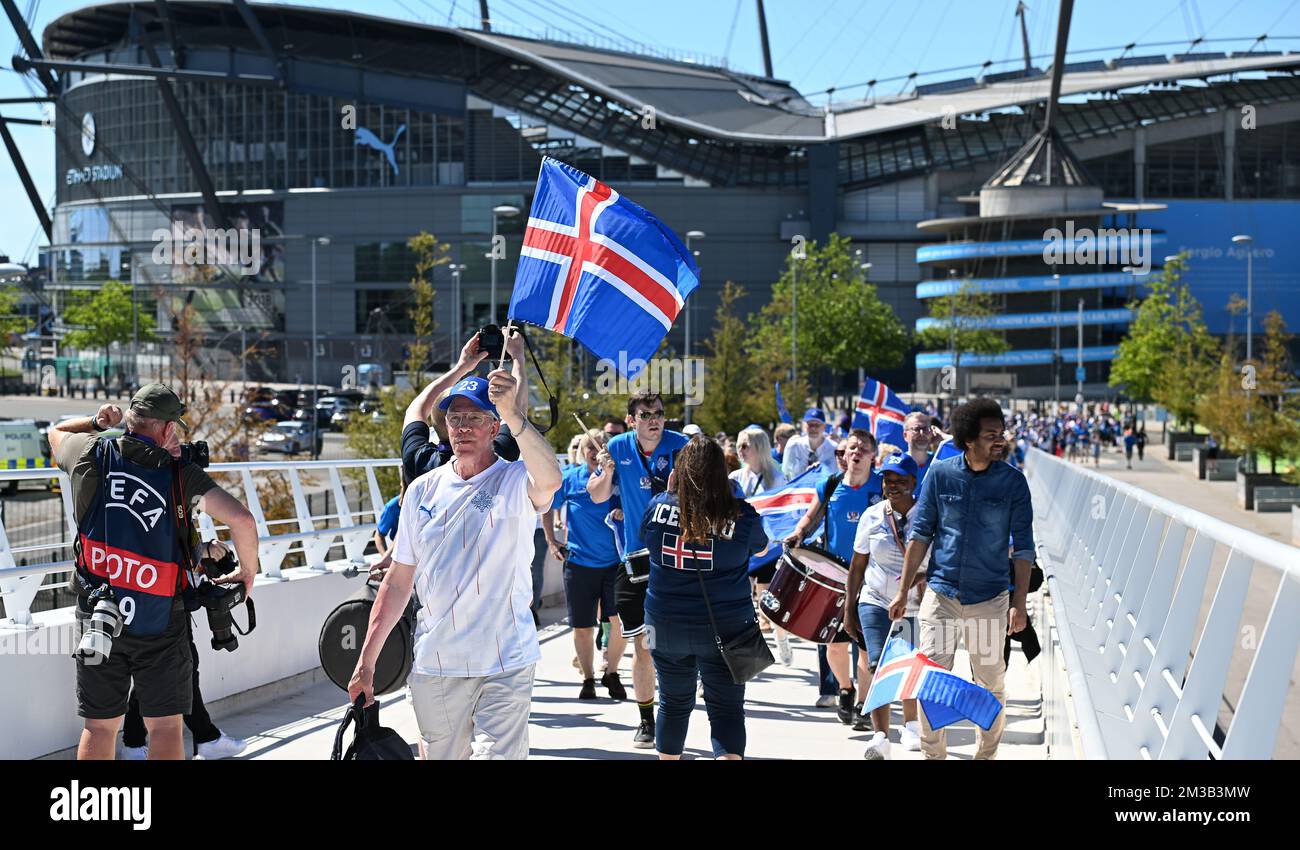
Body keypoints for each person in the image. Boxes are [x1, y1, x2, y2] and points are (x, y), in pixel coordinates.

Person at [348, 331, 563, 760]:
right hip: (437, 662)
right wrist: (367, 659)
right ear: (444, 426)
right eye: (455, 418)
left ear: (494, 426)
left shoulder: (514, 478)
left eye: (475, 418)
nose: (463, 427)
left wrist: (511, 401)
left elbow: (551, 480)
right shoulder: (422, 489)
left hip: (507, 659)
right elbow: (398, 580)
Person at [48, 385, 259, 760]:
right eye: (173, 428)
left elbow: (54, 433)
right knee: (163, 725)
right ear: (163, 430)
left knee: (98, 727)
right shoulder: (181, 475)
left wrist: (96, 422)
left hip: (98, 614)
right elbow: (242, 519)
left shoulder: (89, 451)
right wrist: (247, 572)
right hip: (160, 618)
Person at [890, 398, 1034, 761]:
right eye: (991, 435)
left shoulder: (1014, 483)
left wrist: (1019, 604)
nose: (999, 440)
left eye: (1001, 434)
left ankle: (985, 756)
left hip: (989, 598)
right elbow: (920, 534)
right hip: (942, 595)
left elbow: (1025, 548)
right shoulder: (941, 475)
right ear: (969, 438)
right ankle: (933, 756)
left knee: (990, 683)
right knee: (931, 682)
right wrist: (902, 589)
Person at [640, 436, 768, 759]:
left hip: (664, 625)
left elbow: (646, 538)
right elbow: (763, 549)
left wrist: (670, 493)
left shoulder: (657, 507)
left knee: (672, 702)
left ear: (679, 471)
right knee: (726, 711)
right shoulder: (741, 516)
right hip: (725, 627)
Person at [587, 392, 689, 748]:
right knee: (643, 646)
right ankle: (647, 721)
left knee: (679, 646)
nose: (653, 420)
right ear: (632, 419)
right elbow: (597, 495)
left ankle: (676, 712)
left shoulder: (683, 445)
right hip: (635, 559)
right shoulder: (617, 447)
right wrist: (608, 472)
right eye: (645, 415)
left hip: (678, 558)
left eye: (658, 413)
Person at [784, 429, 881, 725]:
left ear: (873, 455)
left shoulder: (882, 486)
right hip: (835, 577)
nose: (856, 453)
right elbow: (810, 518)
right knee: (835, 645)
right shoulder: (830, 484)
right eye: (852, 448)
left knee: (865, 650)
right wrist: (799, 533)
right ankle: (845, 689)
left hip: (871, 580)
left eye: (863, 449)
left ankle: (864, 706)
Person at [844, 453, 925, 760]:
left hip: (914, 605)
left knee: (907, 665)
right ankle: (880, 736)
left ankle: (911, 724)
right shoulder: (872, 516)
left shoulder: (927, 517)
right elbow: (857, 564)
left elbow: (940, 562)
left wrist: (919, 578)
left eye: (900, 481)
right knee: (878, 663)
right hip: (875, 600)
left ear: (913, 482)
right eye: (888, 480)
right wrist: (849, 607)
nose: (893, 486)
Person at [542, 428, 628, 700]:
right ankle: (588, 678)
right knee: (582, 627)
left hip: (615, 563)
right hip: (579, 564)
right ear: (582, 452)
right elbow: (546, 506)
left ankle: (612, 672)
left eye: (601, 446)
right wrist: (551, 541)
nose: (595, 451)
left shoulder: (619, 478)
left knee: (620, 623)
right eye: (590, 447)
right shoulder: (571, 477)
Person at [730, 427, 791, 664]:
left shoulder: (776, 477)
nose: (740, 450)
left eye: (746, 445)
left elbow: (783, 512)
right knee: (741, 599)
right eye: (739, 445)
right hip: (742, 547)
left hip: (768, 546)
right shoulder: (735, 478)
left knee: (768, 600)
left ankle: (781, 638)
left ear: (760, 447)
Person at [781, 408, 837, 480]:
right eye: (810, 425)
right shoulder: (793, 447)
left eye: (817, 425)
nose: (813, 428)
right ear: (804, 426)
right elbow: (785, 475)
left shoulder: (834, 448)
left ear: (824, 427)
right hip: (799, 490)